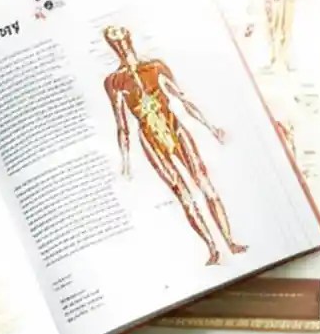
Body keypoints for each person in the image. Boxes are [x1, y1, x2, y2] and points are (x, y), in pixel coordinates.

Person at [102, 26, 247, 265]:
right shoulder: (115, 81)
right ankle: (213, 248)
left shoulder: (155, 67)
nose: (121, 43)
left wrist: (210, 127)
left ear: (129, 37)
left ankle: (229, 241)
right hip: (150, 137)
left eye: (122, 37)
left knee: (204, 183)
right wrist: (126, 163)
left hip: (174, 127)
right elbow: (122, 125)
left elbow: (182, 97)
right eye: (114, 39)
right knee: (184, 195)